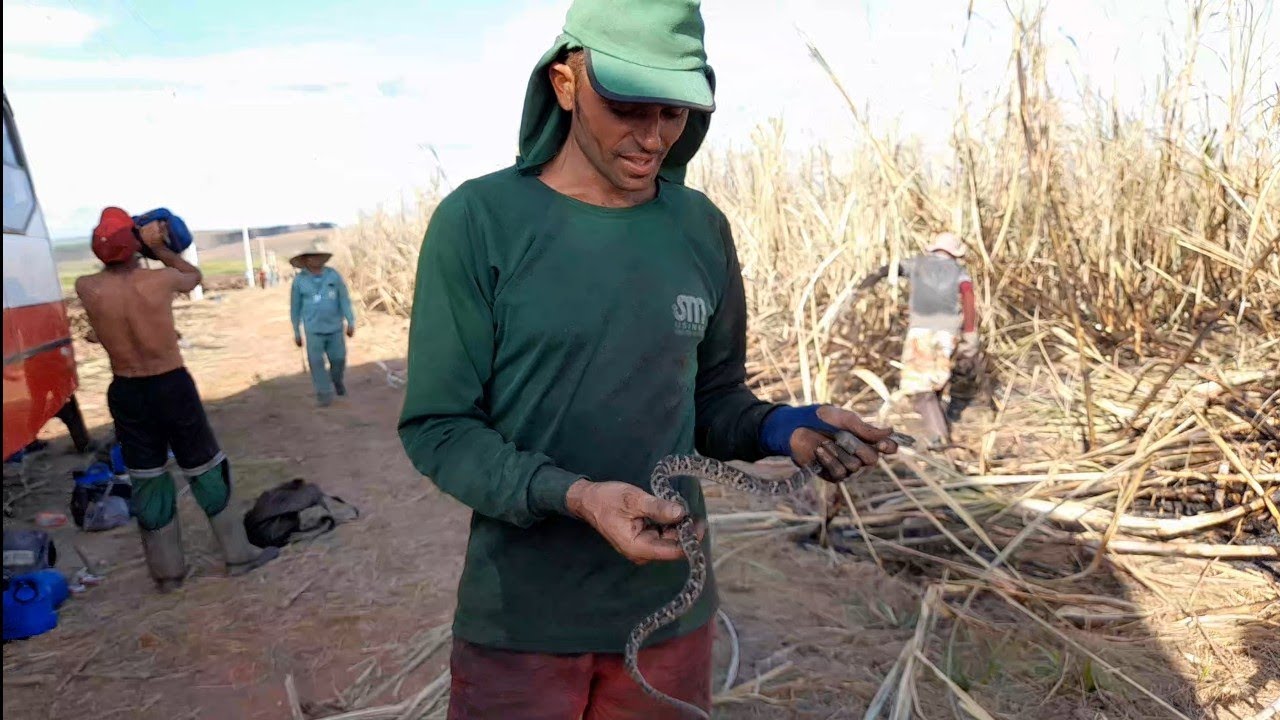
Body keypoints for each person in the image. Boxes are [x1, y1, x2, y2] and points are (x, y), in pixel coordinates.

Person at [396, 1, 903, 717]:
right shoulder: (480, 224)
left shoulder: (699, 230)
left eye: (676, 112)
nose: (654, 136)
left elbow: (713, 400)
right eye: (630, 106)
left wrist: (784, 428)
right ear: (567, 83)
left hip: (668, 622)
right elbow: (440, 427)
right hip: (523, 625)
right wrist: (574, 496)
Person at [74, 207, 278, 592]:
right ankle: (238, 555)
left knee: (147, 476)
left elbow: (102, 327)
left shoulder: (87, 287)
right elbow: (194, 276)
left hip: (127, 390)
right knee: (204, 466)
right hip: (170, 384)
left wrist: (135, 243)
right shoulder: (161, 280)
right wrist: (160, 248)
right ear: (134, 242)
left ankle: (168, 575)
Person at [856, 231, 981, 448]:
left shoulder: (917, 264)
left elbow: (888, 269)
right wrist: (970, 335)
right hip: (947, 332)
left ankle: (938, 438)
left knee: (919, 389)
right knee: (936, 382)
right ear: (955, 254)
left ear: (934, 249)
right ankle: (942, 426)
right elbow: (969, 301)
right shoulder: (960, 272)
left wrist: (864, 285)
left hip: (921, 332)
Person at [289, 239, 356, 407]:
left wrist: (350, 321)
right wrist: (297, 332)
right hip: (313, 330)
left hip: (335, 327)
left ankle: (337, 381)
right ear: (305, 260)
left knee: (339, 359)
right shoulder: (299, 281)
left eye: (318, 256)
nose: (315, 260)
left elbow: (344, 299)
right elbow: (295, 308)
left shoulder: (333, 275)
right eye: (311, 257)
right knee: (317, 363)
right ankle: (324, 393)